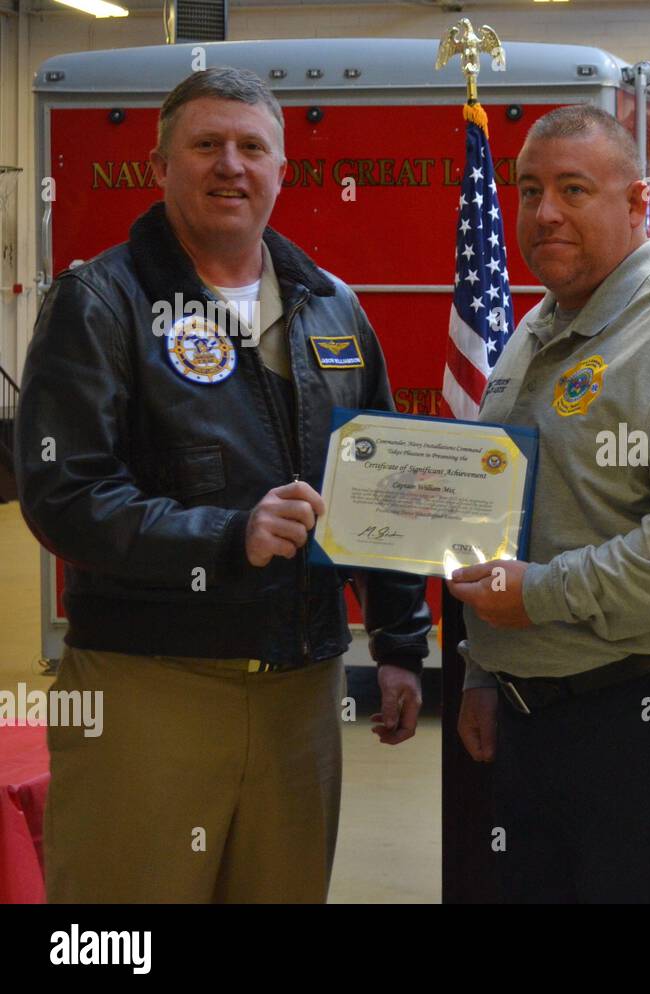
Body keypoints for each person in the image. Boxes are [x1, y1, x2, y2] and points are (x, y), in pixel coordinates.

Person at [16, 68, 431, 903]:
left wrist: (398, 646)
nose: (229, 166)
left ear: (283, 171)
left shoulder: (333, 308)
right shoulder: (100, 303)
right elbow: (64, 496)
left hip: (302, 694)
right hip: (149, 687)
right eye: (205, 146)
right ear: (159, 164)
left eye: (251, 148)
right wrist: (225, 535)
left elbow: (381, 486)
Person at [446, 105, 650, 903]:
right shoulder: (538, 329)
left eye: (573, 189)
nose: (545, 212)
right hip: (545, 727)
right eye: (530, 191)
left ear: (638, 204)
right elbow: (513, 510)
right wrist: (484, 670)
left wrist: (539, 595)